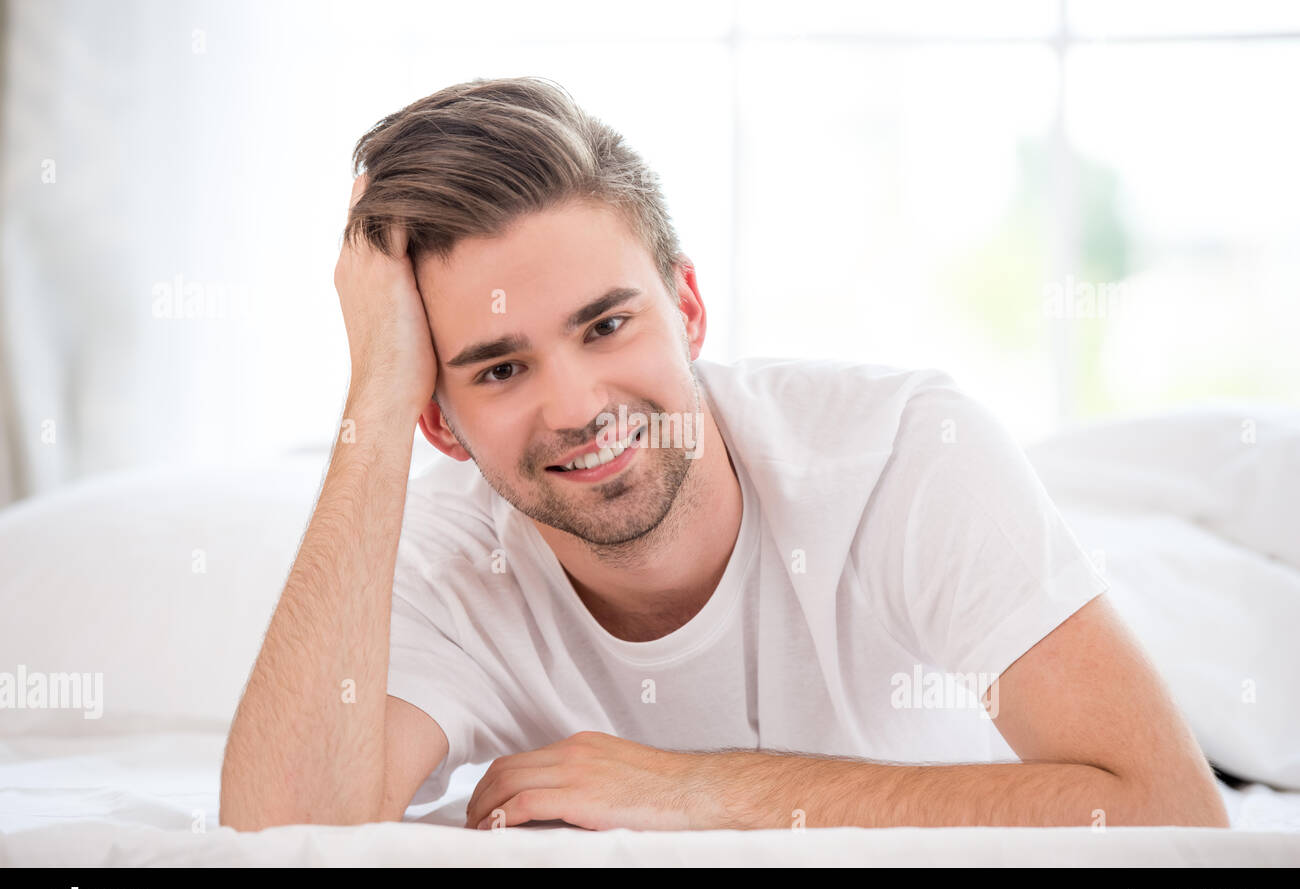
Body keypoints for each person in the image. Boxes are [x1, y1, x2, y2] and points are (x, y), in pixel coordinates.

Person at [219, 77, 1228, 832]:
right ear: (439, 424)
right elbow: (275, 843)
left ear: (688, 309)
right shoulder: (448, 558)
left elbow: (1173, 815)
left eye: (606, 326)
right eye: (497, 371)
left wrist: (693, 787)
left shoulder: (904, 453)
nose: (577, 406)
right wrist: (374, 402)